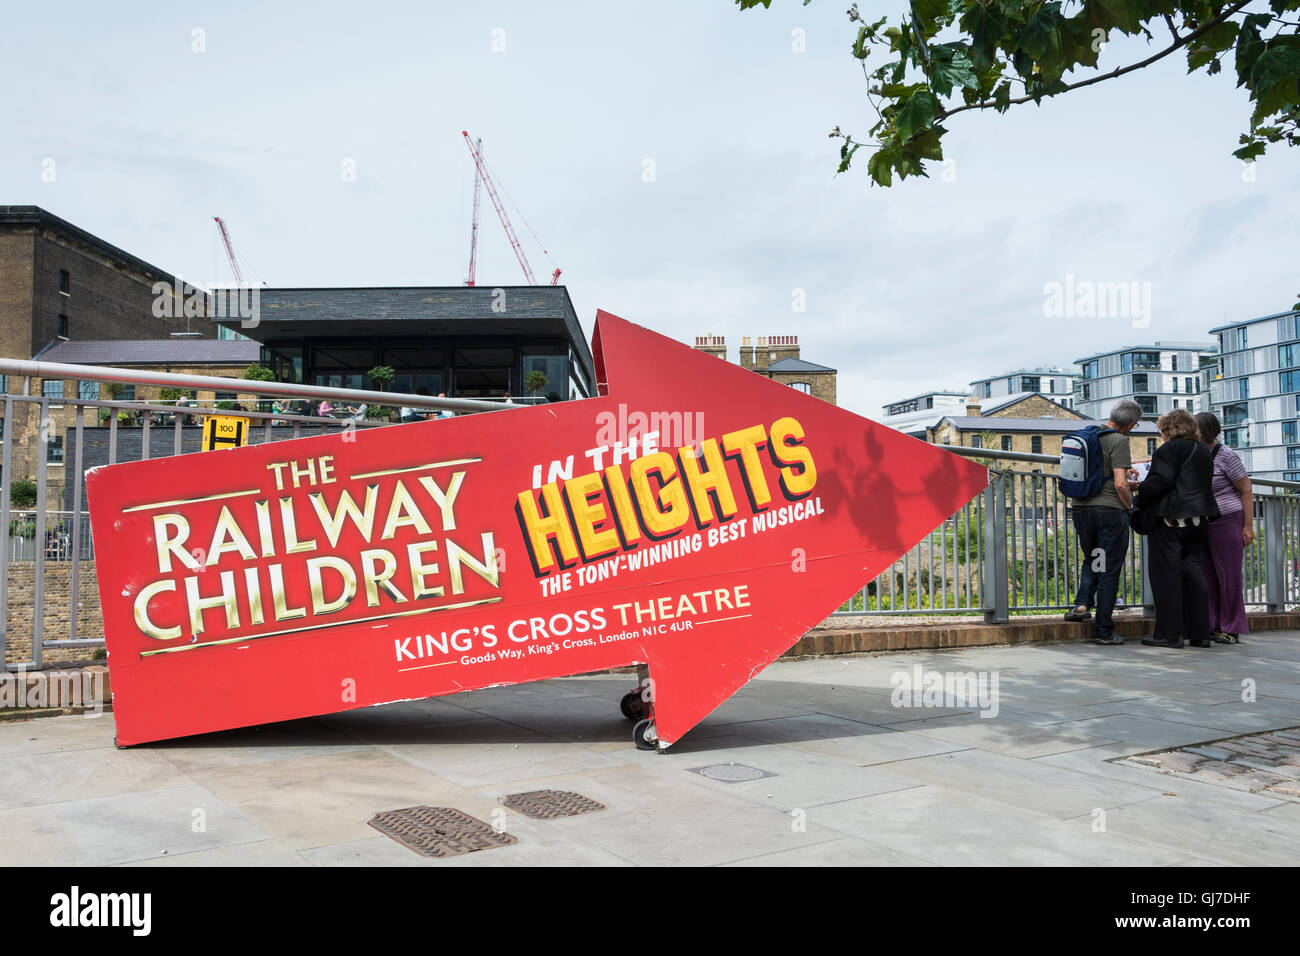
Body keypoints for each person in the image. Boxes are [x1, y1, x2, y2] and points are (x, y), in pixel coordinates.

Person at [1133, 408, 1219, 649]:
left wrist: (1139, 491)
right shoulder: (1203, 450)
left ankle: (1169, 634)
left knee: (1165, 577)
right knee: (1195, 573)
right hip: (1199, 519)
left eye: (1162, 431)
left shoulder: (1168, 450)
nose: (1161, 436)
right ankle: (1200, 633)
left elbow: (1161, 481)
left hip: (1171, 520)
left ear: (1169, 430)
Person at [1064, 399, 1142, 645]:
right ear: (1130, 424)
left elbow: (1103, 470)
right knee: (1110, 570)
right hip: (1108, 512)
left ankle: (1082, 605)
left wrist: (1124, 473)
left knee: (1094, 558)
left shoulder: (1090, 434)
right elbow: (1119, 484)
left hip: (1081, 509)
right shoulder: (1119, 440)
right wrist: (1130, 505)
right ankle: (1104, 630)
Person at [1195, 412, 1252, 644]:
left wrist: (1247, 526)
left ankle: (1231, 627)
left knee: (1228, 576)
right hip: (1204, 521)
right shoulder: (1196, 455)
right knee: (1207, 576)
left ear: (1206, 433)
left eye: (1195, 431)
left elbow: (1246, 490)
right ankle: (1213, 624)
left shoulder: (1227, 455)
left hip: (1227, 519)